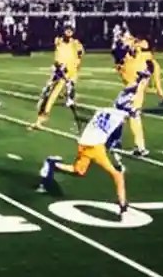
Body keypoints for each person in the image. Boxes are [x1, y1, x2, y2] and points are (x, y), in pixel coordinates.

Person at [37, 71, 151, 217]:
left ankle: (52, 164)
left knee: (79, 171)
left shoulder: (103, 110)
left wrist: (137, 82)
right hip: (95, 147)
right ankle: (123, 206)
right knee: (118, 176)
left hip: (84, 143)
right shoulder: (122, 116)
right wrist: (142, 83)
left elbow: (124, 95)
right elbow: (134, 105)